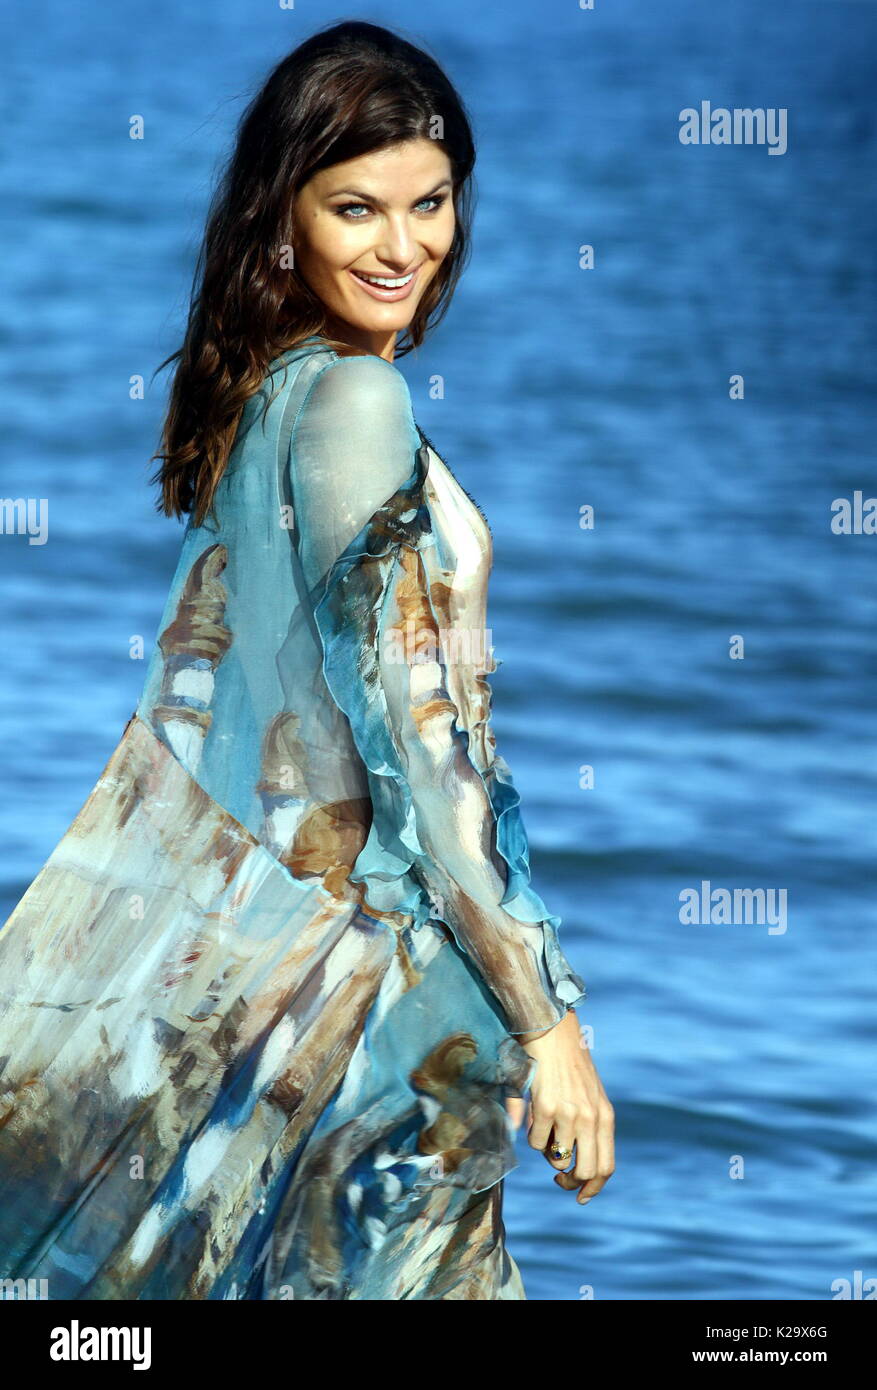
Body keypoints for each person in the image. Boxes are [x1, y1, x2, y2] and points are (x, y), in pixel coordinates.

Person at [0, 19, 613, 1300]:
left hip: (303, 997)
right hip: (398, 1009)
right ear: (285, 217)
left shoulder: (264, 394)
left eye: (431, 202)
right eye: (356, 208)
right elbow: (420, 737)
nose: (405, 245)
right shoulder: (354, 403)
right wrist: (546, 1016)